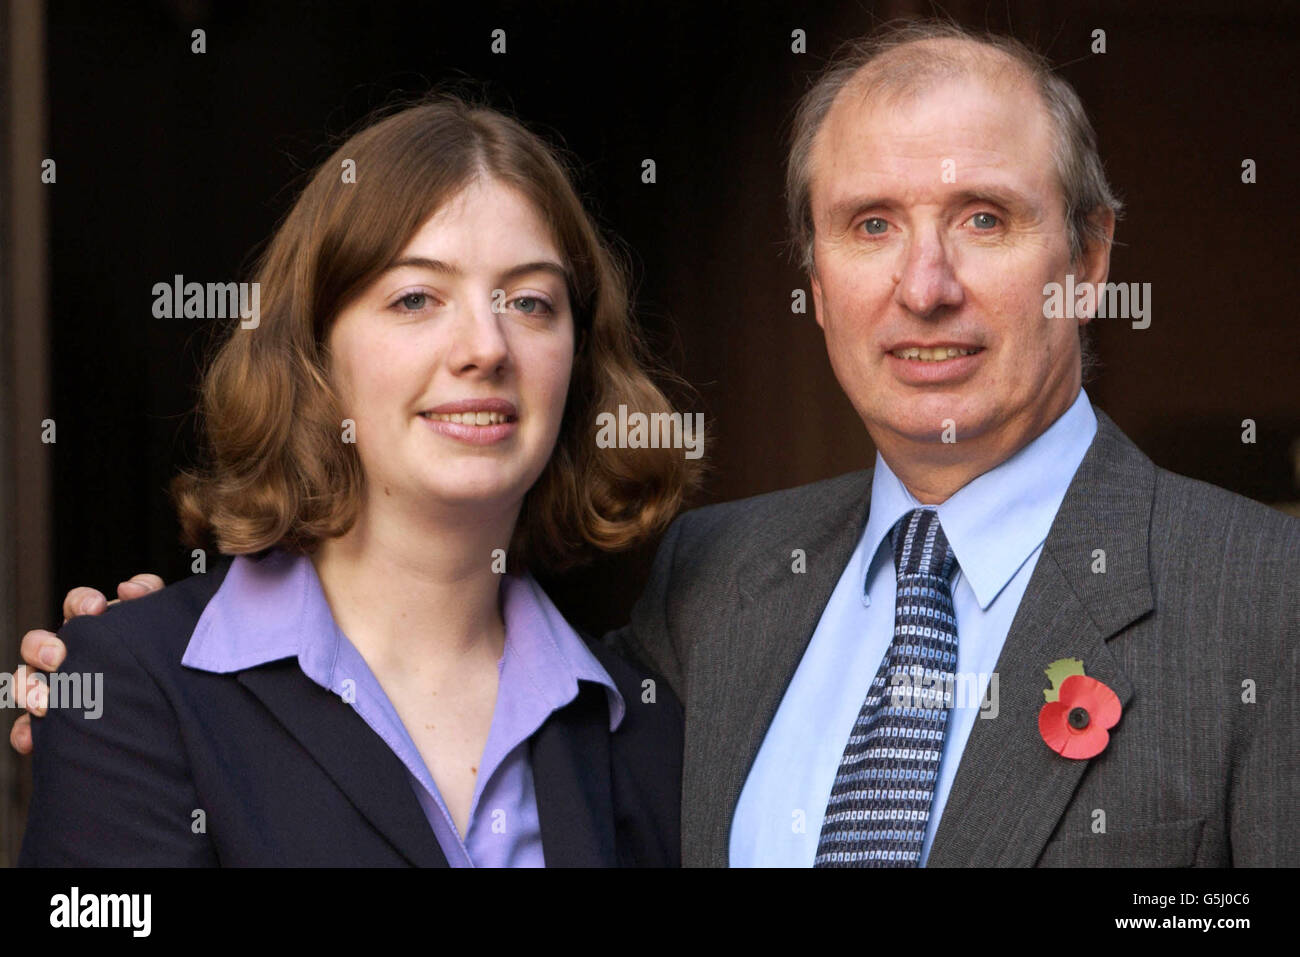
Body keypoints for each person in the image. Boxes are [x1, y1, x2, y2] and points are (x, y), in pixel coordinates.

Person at [15, 21, 1299, 869]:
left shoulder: (1263, 604)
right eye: (867, 225)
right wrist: (138, 677)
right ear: (810, 270)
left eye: (982, 218)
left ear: (1089, 258)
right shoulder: (715, 591)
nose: (924, 284)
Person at [14, 94, 693, 866]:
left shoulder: (646, 725)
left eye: (531, 301)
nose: (486, 346)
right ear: (313, 354)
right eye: (415, 297)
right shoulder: (124, 687)